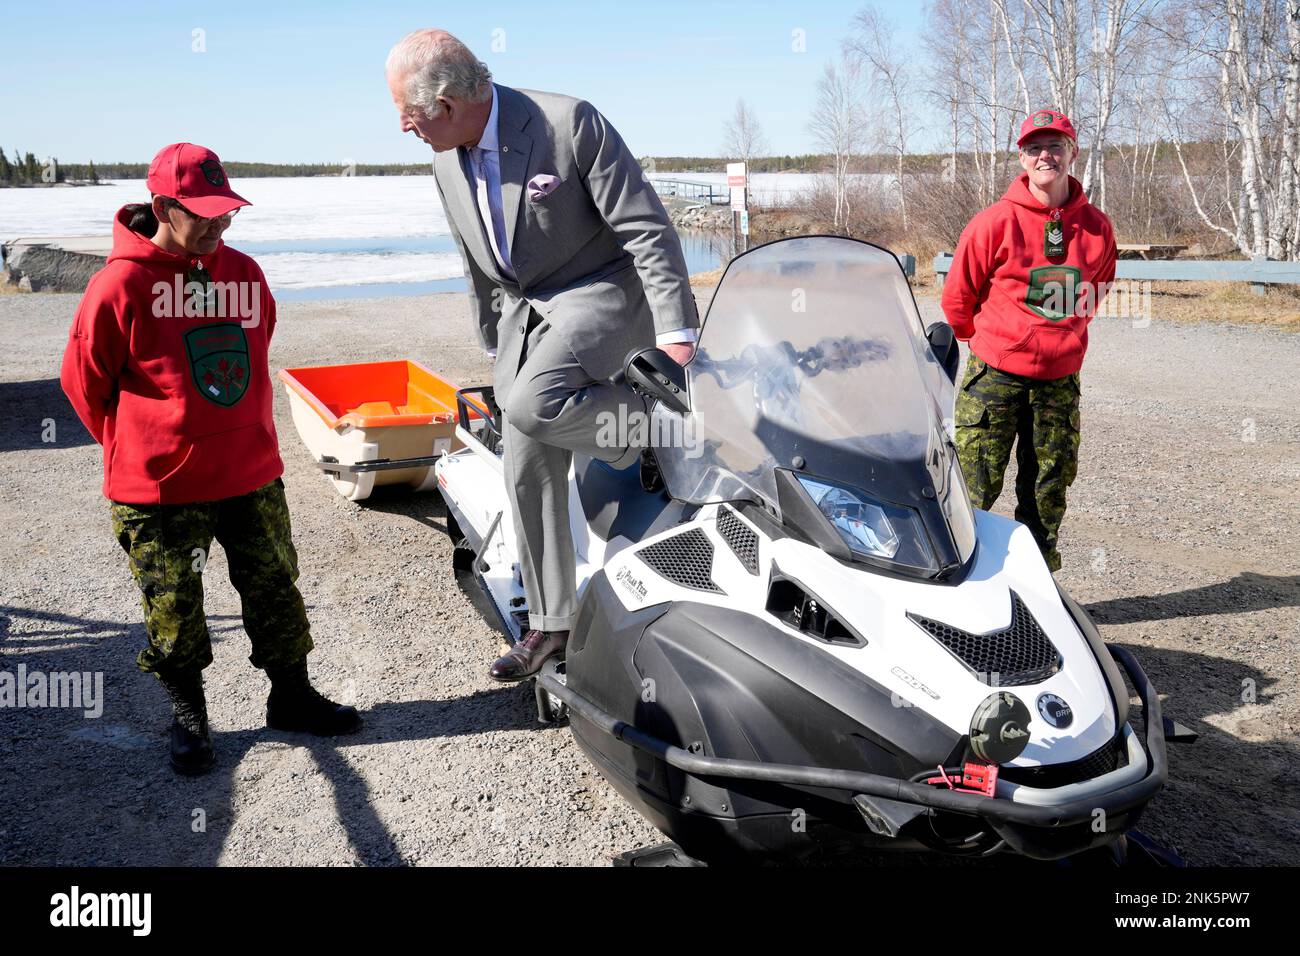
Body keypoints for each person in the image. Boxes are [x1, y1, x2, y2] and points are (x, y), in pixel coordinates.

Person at [385, 30, 698, 680]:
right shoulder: (445, 159)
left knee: (535, 402)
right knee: (523, 453)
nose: (403, 128)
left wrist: (676, 337)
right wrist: (495, 344)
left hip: (604, 292)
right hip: (527, 314)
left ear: (445, 102)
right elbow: (477, 260)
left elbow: (647, 228)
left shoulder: (567, 122)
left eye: (408, 117)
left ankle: (650, 426)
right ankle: (551, 624)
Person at [60, 142, 361, 776]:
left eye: (227, 211)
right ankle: (190, 716)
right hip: (162, 489)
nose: (221, 223)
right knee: (173, 605)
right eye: (205, 213)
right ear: (164, 206)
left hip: (250, 473)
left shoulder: (245, 273)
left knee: (275, 586)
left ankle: (292, 695)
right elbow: (84, 385)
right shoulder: (119, 285)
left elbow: (257, 347)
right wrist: (147, 446)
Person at [941, 109, 1117, 573]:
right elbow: (958, 298)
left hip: (1059, 383)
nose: (1046, 156)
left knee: (1047, 489)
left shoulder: (1097, 227)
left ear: (1072, 152)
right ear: (1022, 157)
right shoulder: (993, 222)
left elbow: (1096, 290)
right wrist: (996, 343)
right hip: (995, 378)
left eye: (1056, 146)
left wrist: (1060, 340)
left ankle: (1036, 591)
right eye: (1035, 148)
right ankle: (956, 581)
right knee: (972, 489)